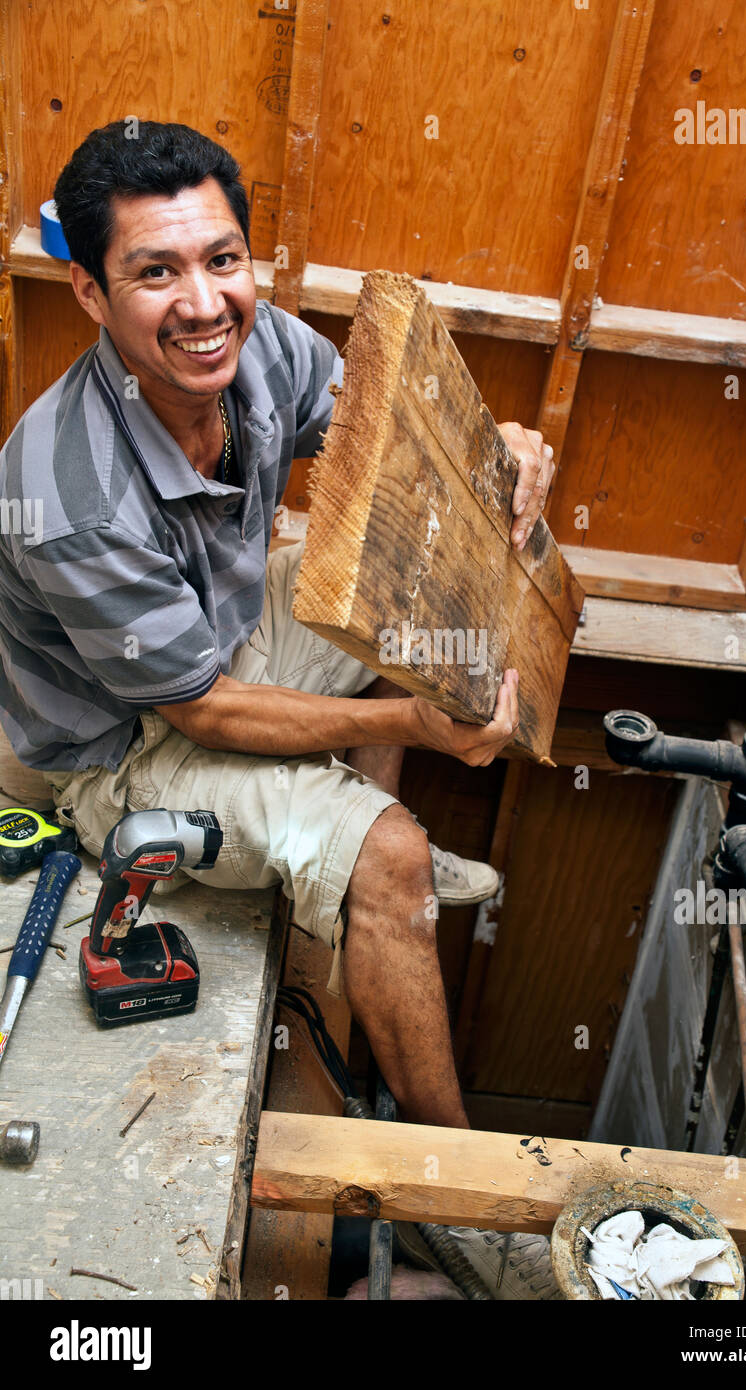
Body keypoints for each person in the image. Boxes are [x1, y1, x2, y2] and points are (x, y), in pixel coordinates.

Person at [0, 122, 558, 1296]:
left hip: (214, 645)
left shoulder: (258, 351)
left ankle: (352, 863)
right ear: (88, 290)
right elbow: (201, 710)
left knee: (422, 618)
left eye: (223, 259)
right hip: (123, 746)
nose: (203, 304)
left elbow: (397, 450)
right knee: (394, 852)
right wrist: (403, 731)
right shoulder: (61, 486)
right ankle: (453, 1195)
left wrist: (496, 454)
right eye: (156, 272)